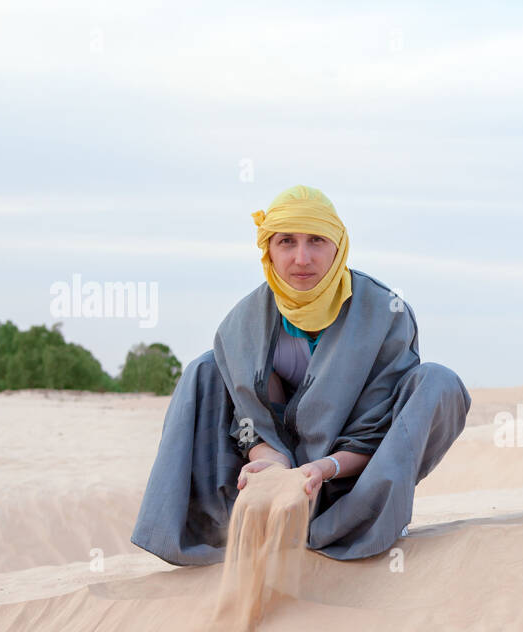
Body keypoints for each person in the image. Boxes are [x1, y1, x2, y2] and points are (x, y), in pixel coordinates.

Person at [130, 184, 471, 564]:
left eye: (316, 241)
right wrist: (272, 463)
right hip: (270, 488)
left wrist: (321, 469)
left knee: (438, 382)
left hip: (349, 483)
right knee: (205, 369)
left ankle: (363, 523)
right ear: (268, 251)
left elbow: (375, 430)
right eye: (287, 242)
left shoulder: (384, 313)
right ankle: (220, 531)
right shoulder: (243, 324)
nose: (302, 258)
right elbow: (247, 420)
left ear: (338, 247)